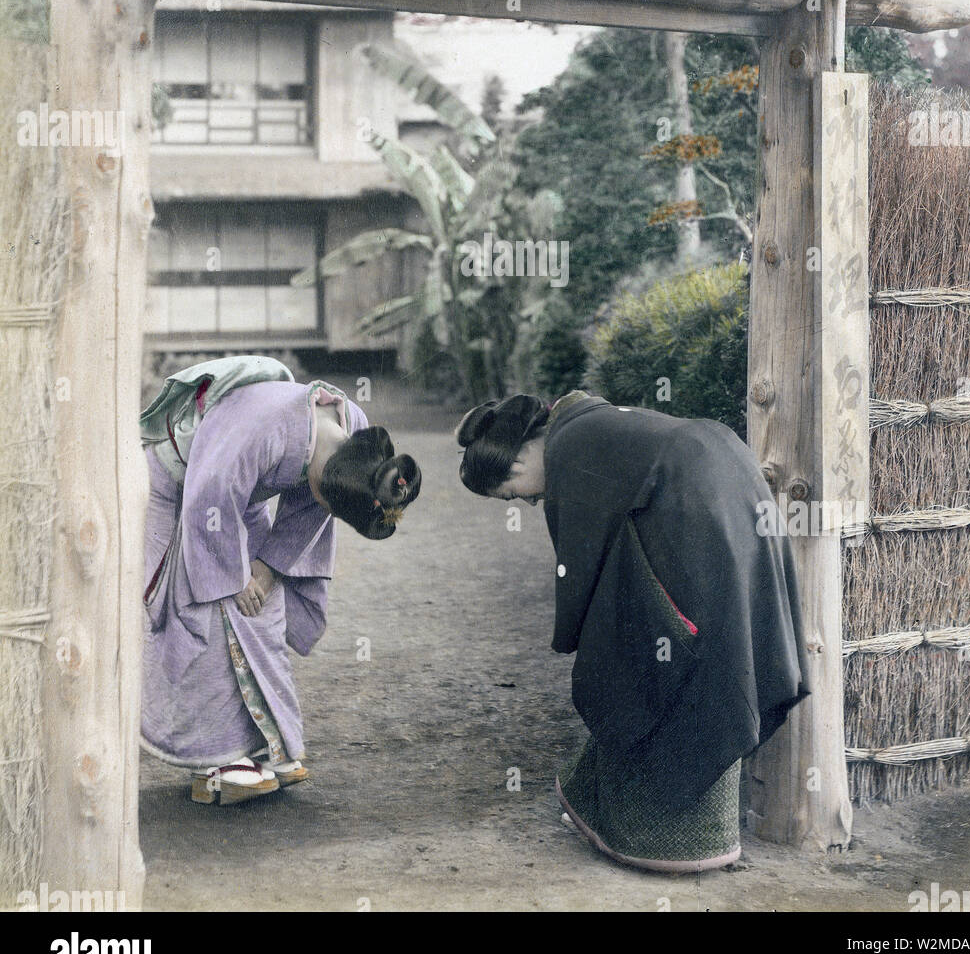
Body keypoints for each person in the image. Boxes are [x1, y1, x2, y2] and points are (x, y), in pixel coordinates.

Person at [456, 388, 810, 873]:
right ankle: (612, 806)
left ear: (516, 464)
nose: (537, 501)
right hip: (736, 486)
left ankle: (663, 841)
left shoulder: (570, 448)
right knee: (730, 644)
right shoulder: (582, 421)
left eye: (521, 496)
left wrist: (579, 640)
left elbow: (578, 570)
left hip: (699, 507)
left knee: (635, 663)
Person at [141, 355, 420, 806]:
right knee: (209, 611)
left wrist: (267, 570)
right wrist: (233, 578)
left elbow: (311, 512)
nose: (315, 502)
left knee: (264, 609)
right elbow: (205, 502)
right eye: (320, 494)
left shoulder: (355, 432)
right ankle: (214, 761)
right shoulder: (266, 425)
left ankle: (267, 745)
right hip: (179, 490)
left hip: (237, 500)